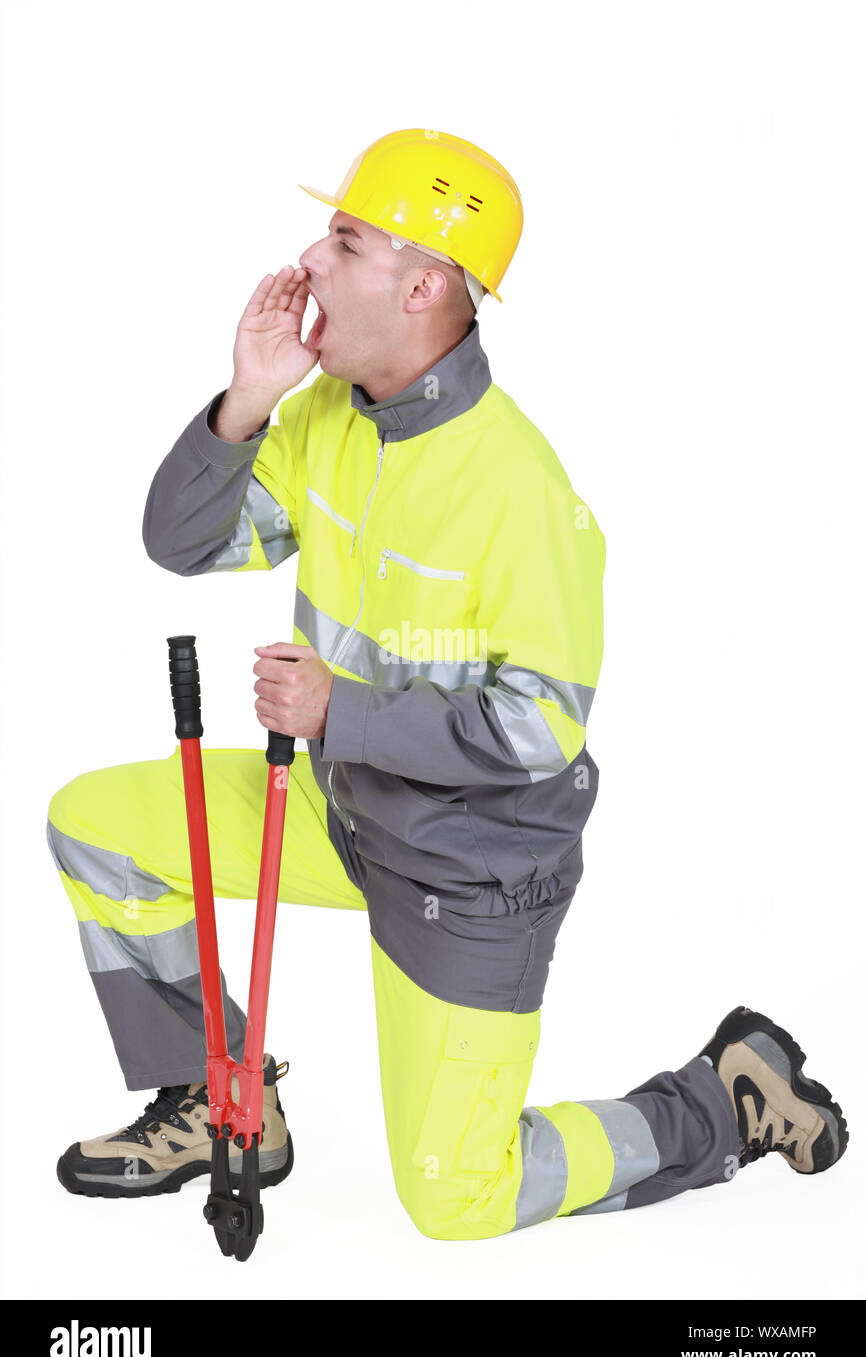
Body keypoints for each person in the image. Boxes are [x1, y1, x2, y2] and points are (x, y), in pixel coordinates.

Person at [47, 129, 848, 1240]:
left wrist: (340, 710)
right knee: (98, 827)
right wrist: (246, 399)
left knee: (456, 1195)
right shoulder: (331, 418)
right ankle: (224, 1098)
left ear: (422, 283)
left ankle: (720, 1099)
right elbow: (185, 543)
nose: (307, 261)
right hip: (344, 812)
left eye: (343, 238)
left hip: (465, 871)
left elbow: (542, 730)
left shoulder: (520, 490)